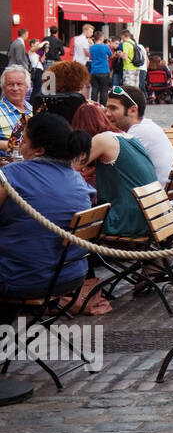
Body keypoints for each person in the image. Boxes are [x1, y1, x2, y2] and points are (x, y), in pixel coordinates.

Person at [0, 113, 95, 303]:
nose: (20, 146)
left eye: (24, 141)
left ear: (39, 150)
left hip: (21, 278)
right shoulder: (76, 178)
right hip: (71, 275)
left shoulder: (11, 175)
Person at [82, 114, 157, 239]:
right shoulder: (130, 138)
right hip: (151, 217)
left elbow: (69, 168)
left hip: (126, 221)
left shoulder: (101, 139)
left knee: (70, 215)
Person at [105, 84, 173, 187]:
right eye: (107, 108)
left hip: (161, 201)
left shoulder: (138, 133)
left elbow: (112, 172)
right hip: (170, 199)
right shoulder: (146, 125)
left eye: (113, 108)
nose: (107, 114)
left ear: (133, 110)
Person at [1, 65, 33, 152]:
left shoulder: (34, 111)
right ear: (3, 87)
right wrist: (8, 145)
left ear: (27, 87)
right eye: (10, 84)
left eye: (19, 84)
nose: (15, 88)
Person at [87, 32, 113, 106]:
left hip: (94, 71)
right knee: (104, 90)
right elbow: (111, 56)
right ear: (101, 38)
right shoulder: (105, 47)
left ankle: (93, 106)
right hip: (104, 70)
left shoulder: (91, 47)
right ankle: (103, 106)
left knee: (94, 89)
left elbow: (90, 56)